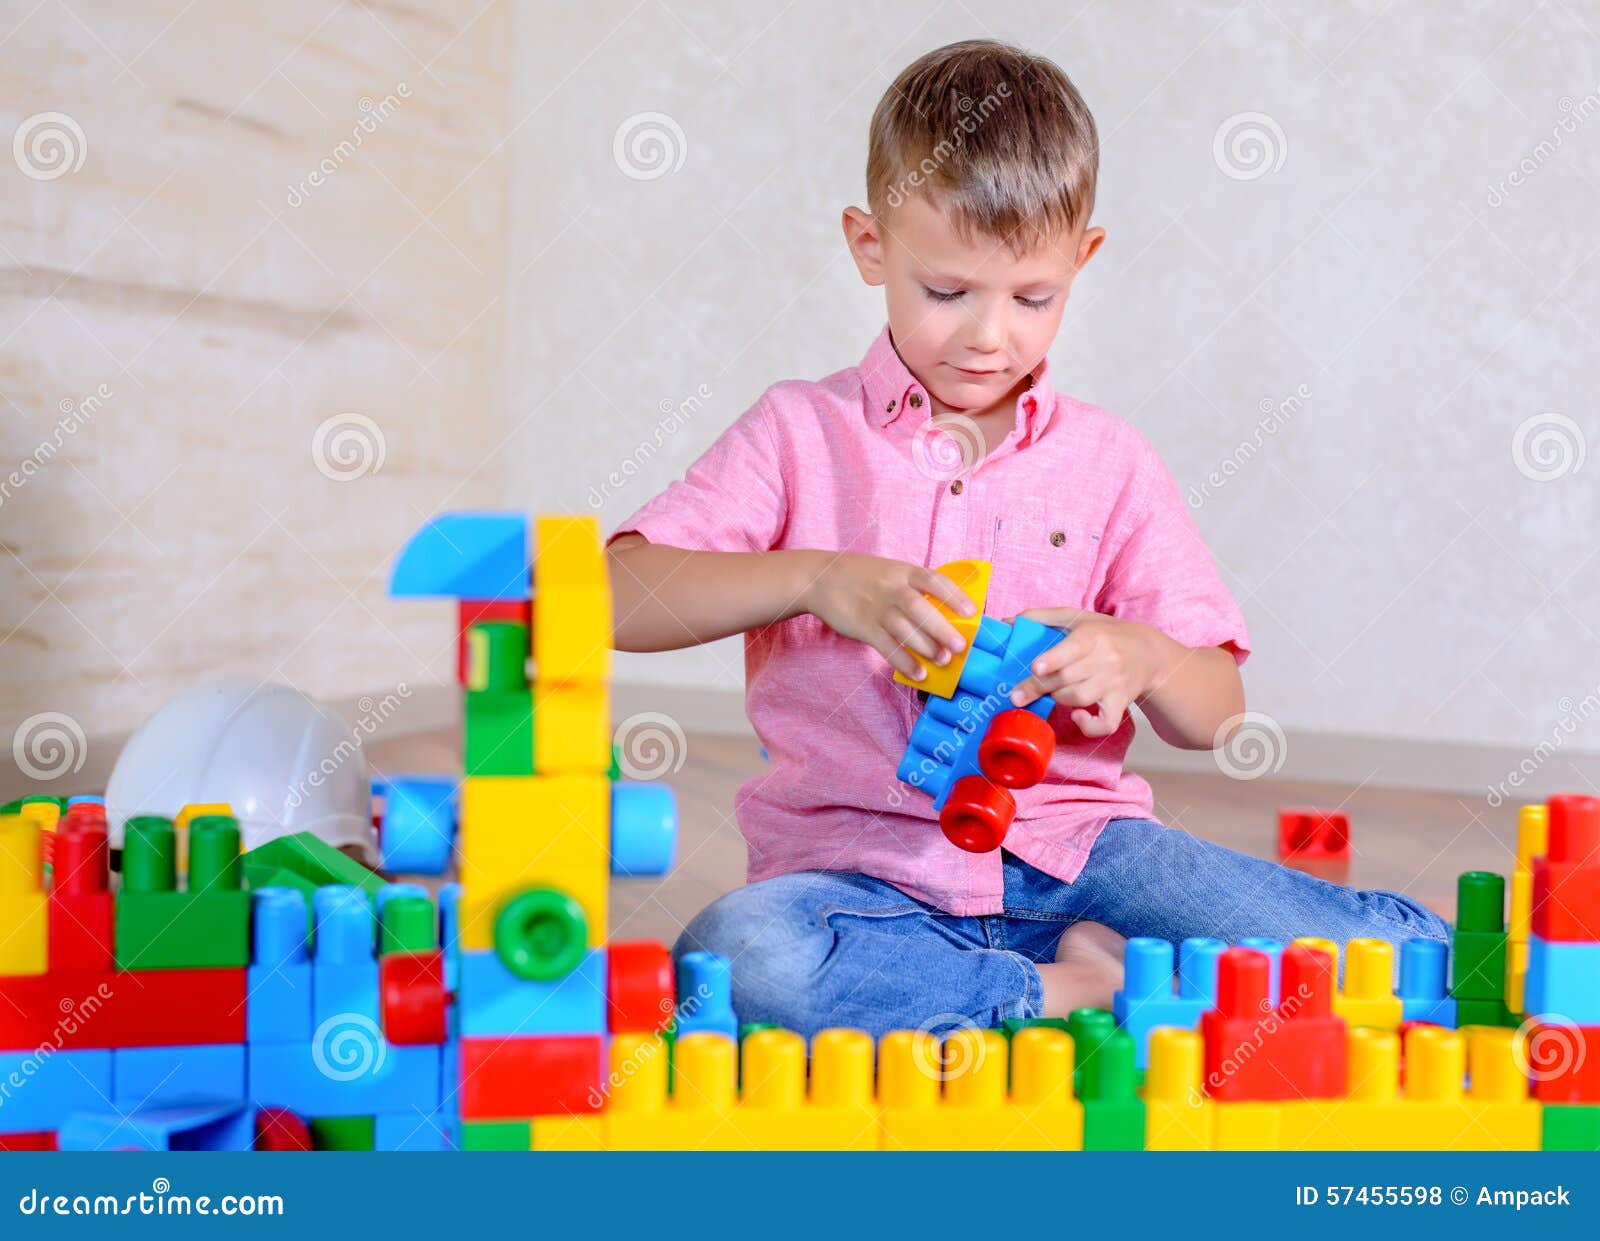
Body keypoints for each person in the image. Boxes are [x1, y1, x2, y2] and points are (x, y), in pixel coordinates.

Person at [606, 39, 1447, 1038]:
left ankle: (1025, 987)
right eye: (946, 291)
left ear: (1081, 260)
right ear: (870, 246)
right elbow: (615, 595)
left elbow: (1217, 711)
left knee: (1388, 958)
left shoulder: (1110, 461)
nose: (988, 335)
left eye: (1032, 298)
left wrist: (1144, 656)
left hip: (1086, 859)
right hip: (862, 883)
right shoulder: (800, 433)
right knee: (739, 960)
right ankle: (1078, 991)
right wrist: (816, 578)